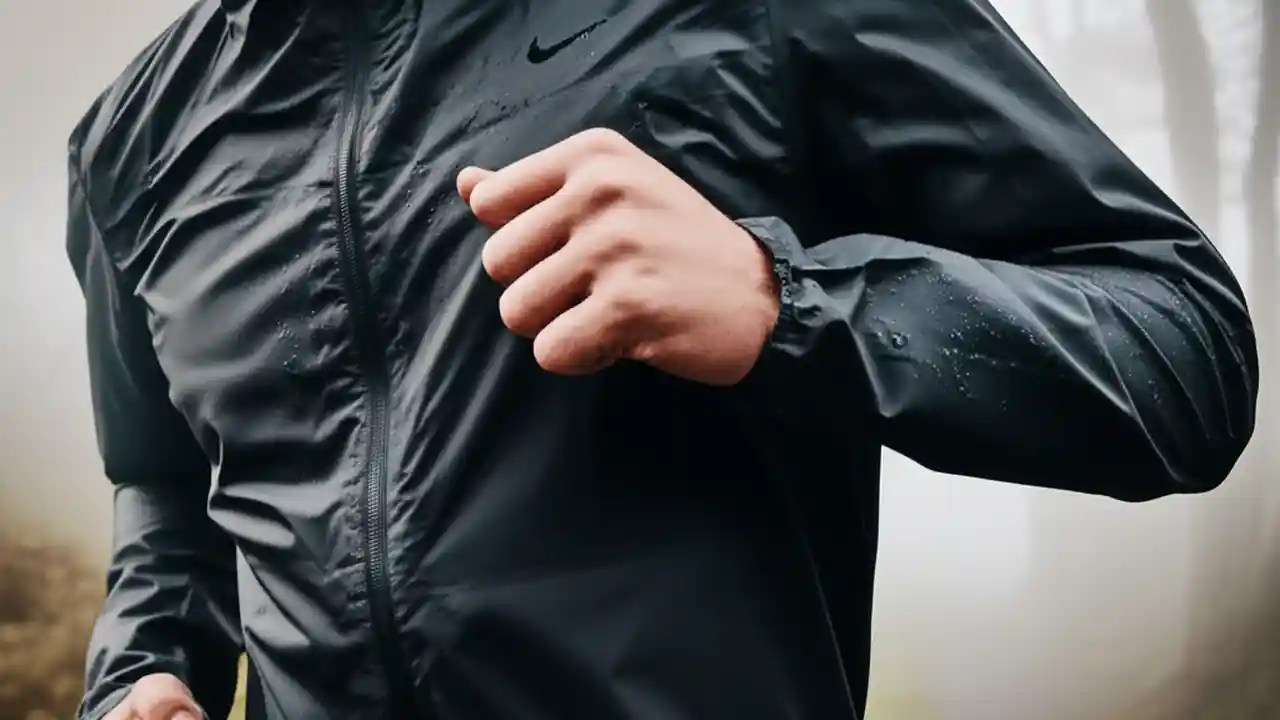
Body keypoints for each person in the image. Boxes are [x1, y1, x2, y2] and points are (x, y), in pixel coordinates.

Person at [66, 1, 1258, 718]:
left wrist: (781, 300)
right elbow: (165, 476)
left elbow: (1181, 348)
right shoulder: (131, 138)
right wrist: (143, 667)